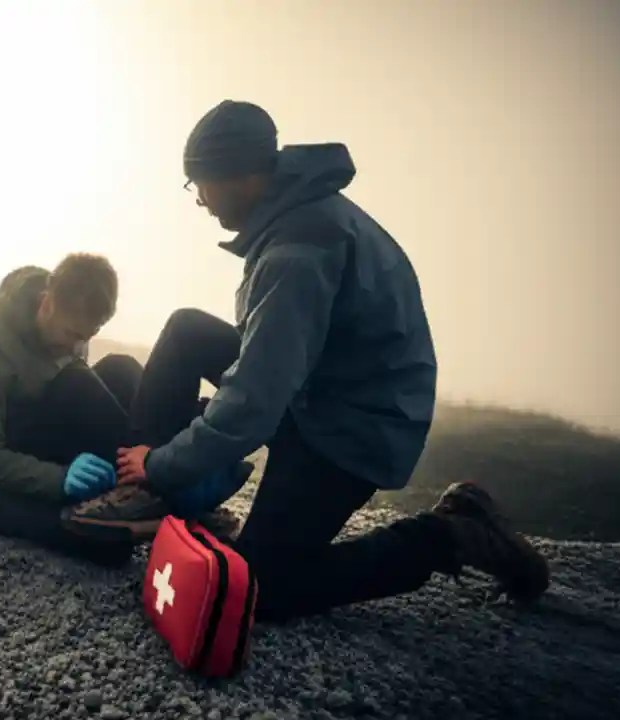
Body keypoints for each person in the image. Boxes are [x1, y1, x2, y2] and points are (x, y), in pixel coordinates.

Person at [114, 100, 550, 623]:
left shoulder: (295, 253)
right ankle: (146, 497)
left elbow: (254, 403)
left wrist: (162, 462)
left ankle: (449, 533)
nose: (201, 200)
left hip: (353, 431)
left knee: (257, 588)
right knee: (188, 330)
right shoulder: (297, 215)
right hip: (321, 391)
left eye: (200, 183)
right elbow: (271, 363)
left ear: (240, 175)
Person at [0, 253, 144, 564]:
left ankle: (151, 477)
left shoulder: (70, 328)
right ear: (46, 304)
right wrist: (60, 479)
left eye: (87, 337)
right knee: (111, 547)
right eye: (73, 335)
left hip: (40, 443)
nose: (77, 345)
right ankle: (134, 498)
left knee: (121, 369)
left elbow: (71, 400)